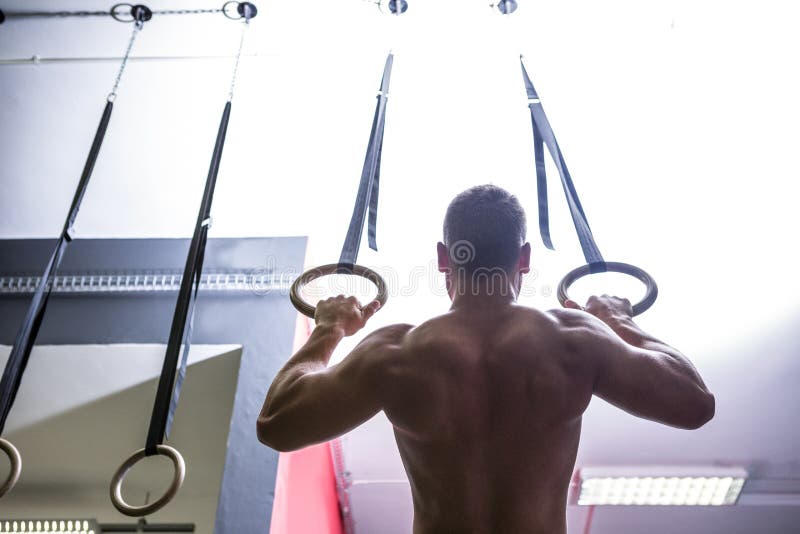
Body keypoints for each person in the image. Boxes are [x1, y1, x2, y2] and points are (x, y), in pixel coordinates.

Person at [257, 185, 715, 534]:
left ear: (443, 258)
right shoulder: (574, 340)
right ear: (525, 259)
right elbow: (694, 402)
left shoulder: (397, 355)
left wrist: (329, 327)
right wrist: (620, 321)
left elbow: (276, 423)